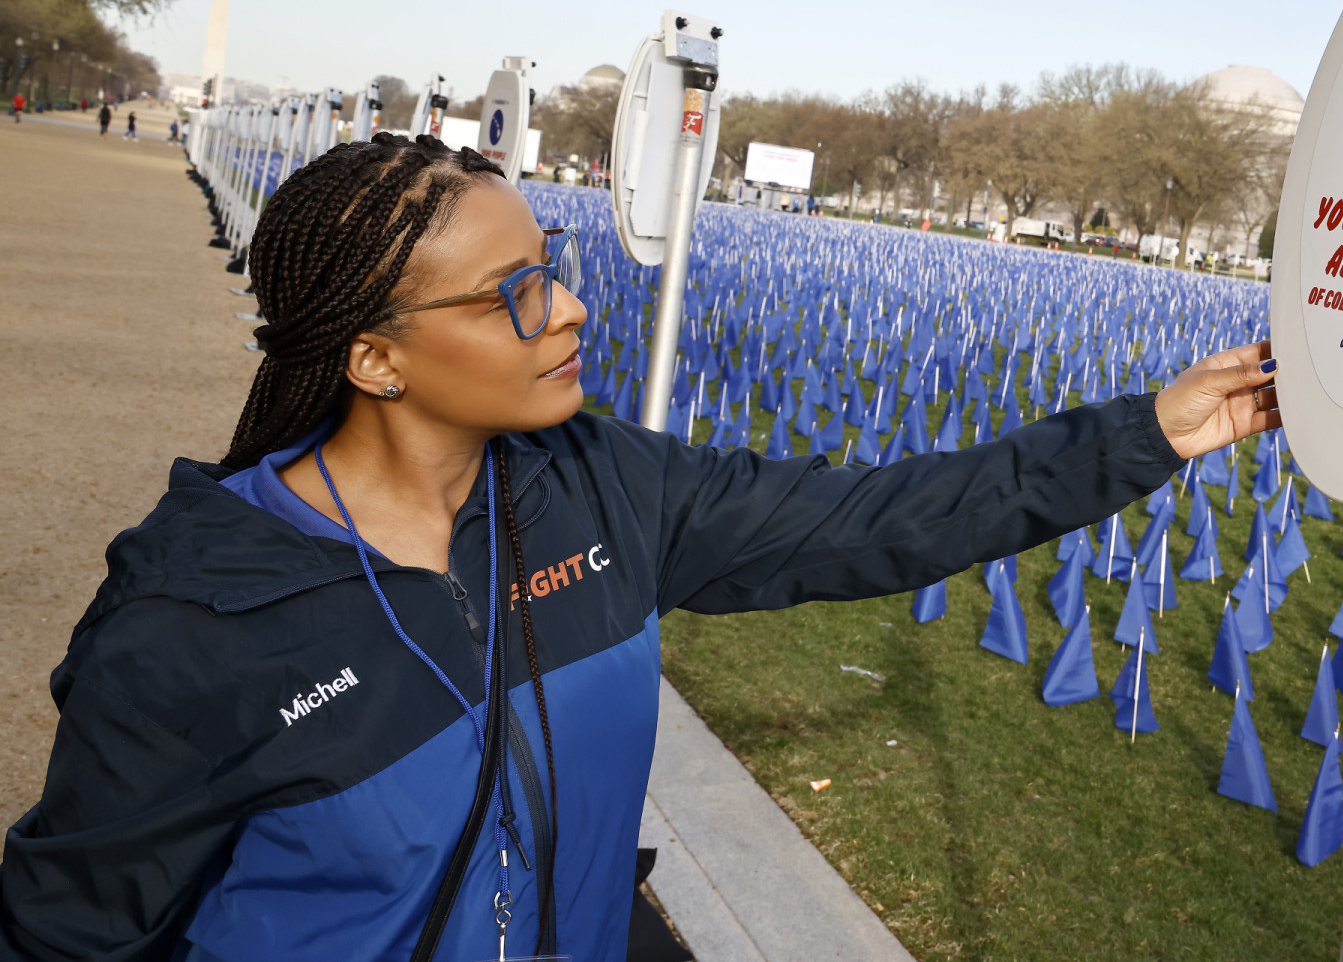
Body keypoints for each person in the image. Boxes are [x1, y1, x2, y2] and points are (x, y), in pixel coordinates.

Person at [0, 132, 1278, 961]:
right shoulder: (194, 626)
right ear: (375, 358)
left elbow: (878, 519)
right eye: (514, 297)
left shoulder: (599, 489)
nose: (571, 306)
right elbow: (70, 936)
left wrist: (1150, 433)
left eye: (546, 263)